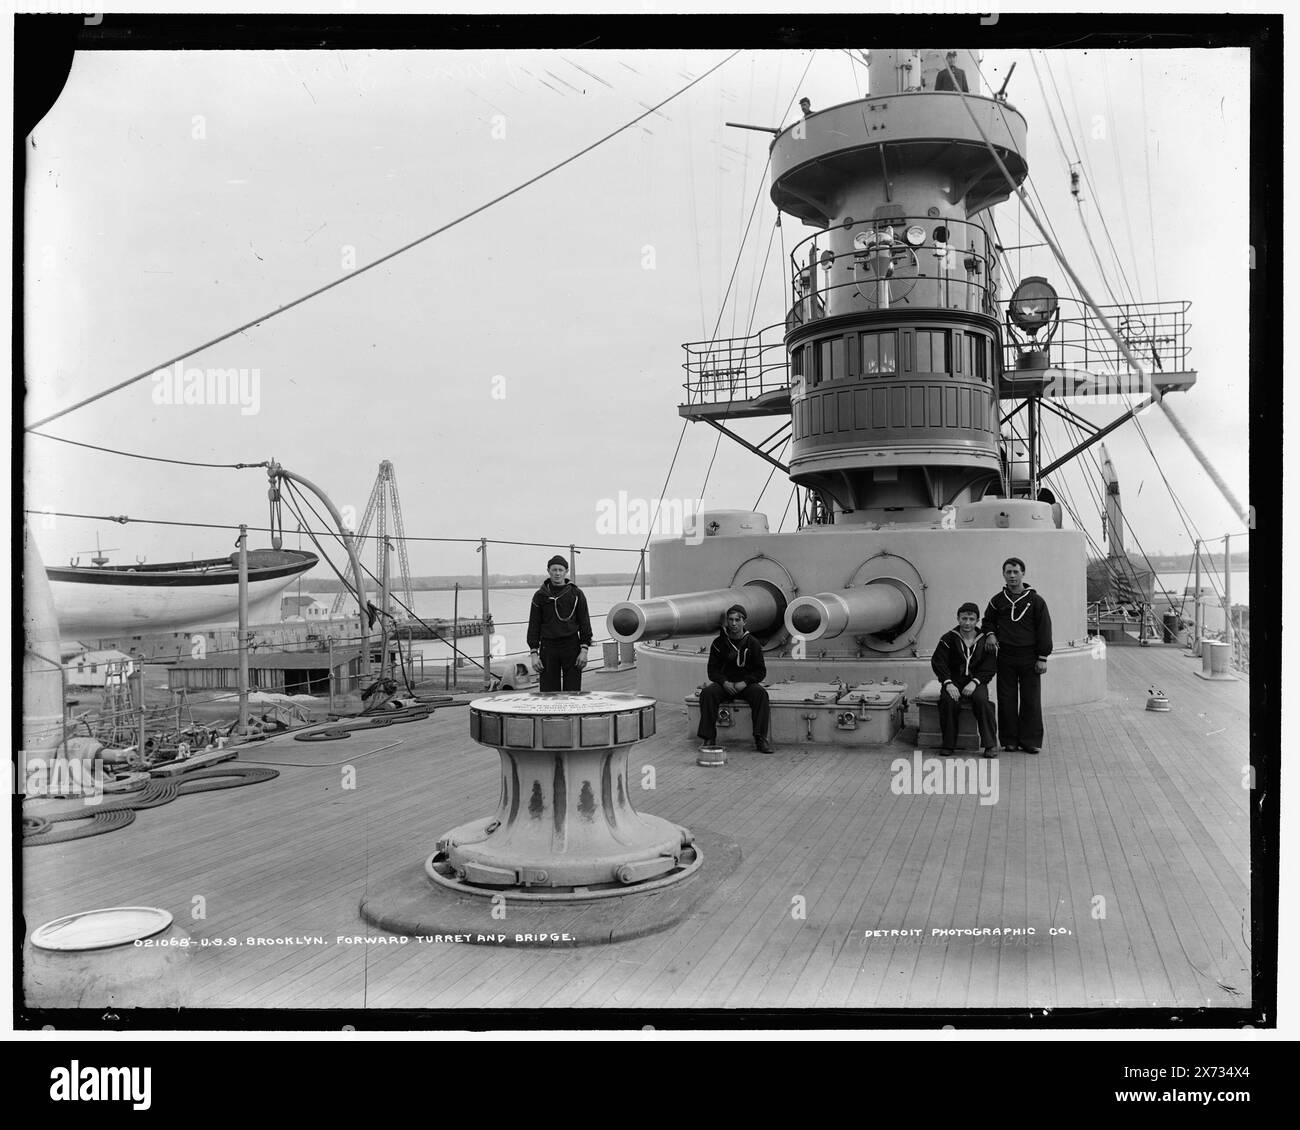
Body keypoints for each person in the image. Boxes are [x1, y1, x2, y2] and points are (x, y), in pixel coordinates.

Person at [982, 557, 1052, 753]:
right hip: (1005, 656)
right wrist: (990, 634)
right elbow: (987, 621)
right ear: (1004, 574)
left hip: (1030, 657)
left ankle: (1030, 741)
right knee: (1006, 699)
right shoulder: (997, 600)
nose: (1012, 576)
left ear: (1023, 573)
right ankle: (1009, 740)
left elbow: (1044, 629)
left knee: (1031, 699)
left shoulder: (1036, 601)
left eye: (1015, 572)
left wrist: (1042, 657)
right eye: (1008, 572)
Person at [697, 604, 774, 755]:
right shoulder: (719, 644)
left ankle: (760, 738)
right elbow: (712, 671)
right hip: (725, 684)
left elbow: (760, 671)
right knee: (707, 693)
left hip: (744, 684)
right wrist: (724, 682)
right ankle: (708, 738)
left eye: (737, 620)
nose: (733, 624)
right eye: (730, 620)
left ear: (744, 622)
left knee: (761, 695)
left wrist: (744, 682)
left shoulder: (752, 643)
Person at [931, 602, 999, 758]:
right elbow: (938, 662)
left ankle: (990, 744)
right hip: (953, 681)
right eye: (964, 618)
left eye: (971, 619)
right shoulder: (948, 638)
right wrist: (947, 683)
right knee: (948, 702)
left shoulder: (984, 640)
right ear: (958, 618)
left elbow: (989, 667)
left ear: (977, 620)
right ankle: (948, 744)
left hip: (976, 681)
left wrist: (975, 682)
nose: (967, 623)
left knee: (982, 700)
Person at [527, 555, 593, 692]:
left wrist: (584, 650)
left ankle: (572, 714)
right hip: (548, 647)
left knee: (573, 692)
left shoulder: (576, 594)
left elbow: (585, 623)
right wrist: (534, 653)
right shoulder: (540, 596)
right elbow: (534, 625)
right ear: (548, 571)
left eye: (560, 570)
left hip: (571, 646)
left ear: (566, 571)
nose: (557, 573)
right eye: (554, 569)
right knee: (548, 693)